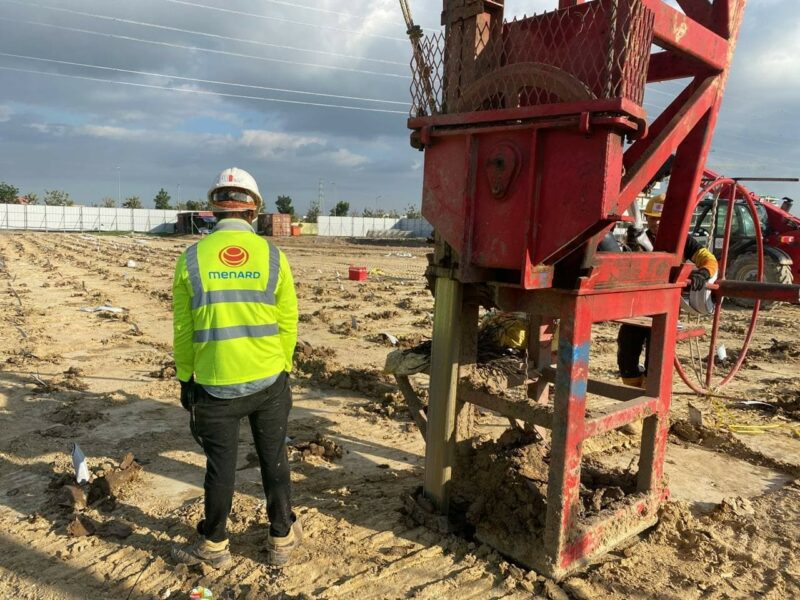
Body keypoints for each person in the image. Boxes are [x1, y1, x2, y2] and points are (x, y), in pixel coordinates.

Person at [171, 167, 300, 568]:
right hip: (268, 381)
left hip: (213, 384)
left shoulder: (191, 258)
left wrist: (185, 378)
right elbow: (288, 321)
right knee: (274, 459)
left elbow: (184, 329)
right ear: (254, 209)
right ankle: (280, 538)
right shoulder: (274, 256)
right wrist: (284, 366)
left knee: (220, 468)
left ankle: (214, 546)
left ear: (213, 209)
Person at [617, 195, 719, 387]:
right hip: (638, 306)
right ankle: (632, 392)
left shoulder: (683, 242)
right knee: (626, 352)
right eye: (652, 218)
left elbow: (709, 260)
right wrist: (631, 245)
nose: (656, 222)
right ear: (646, 218)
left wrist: (703, 274)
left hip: (665, 308)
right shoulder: (639, 238)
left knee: (655, 358)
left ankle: (647, 398)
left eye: (660, 218)